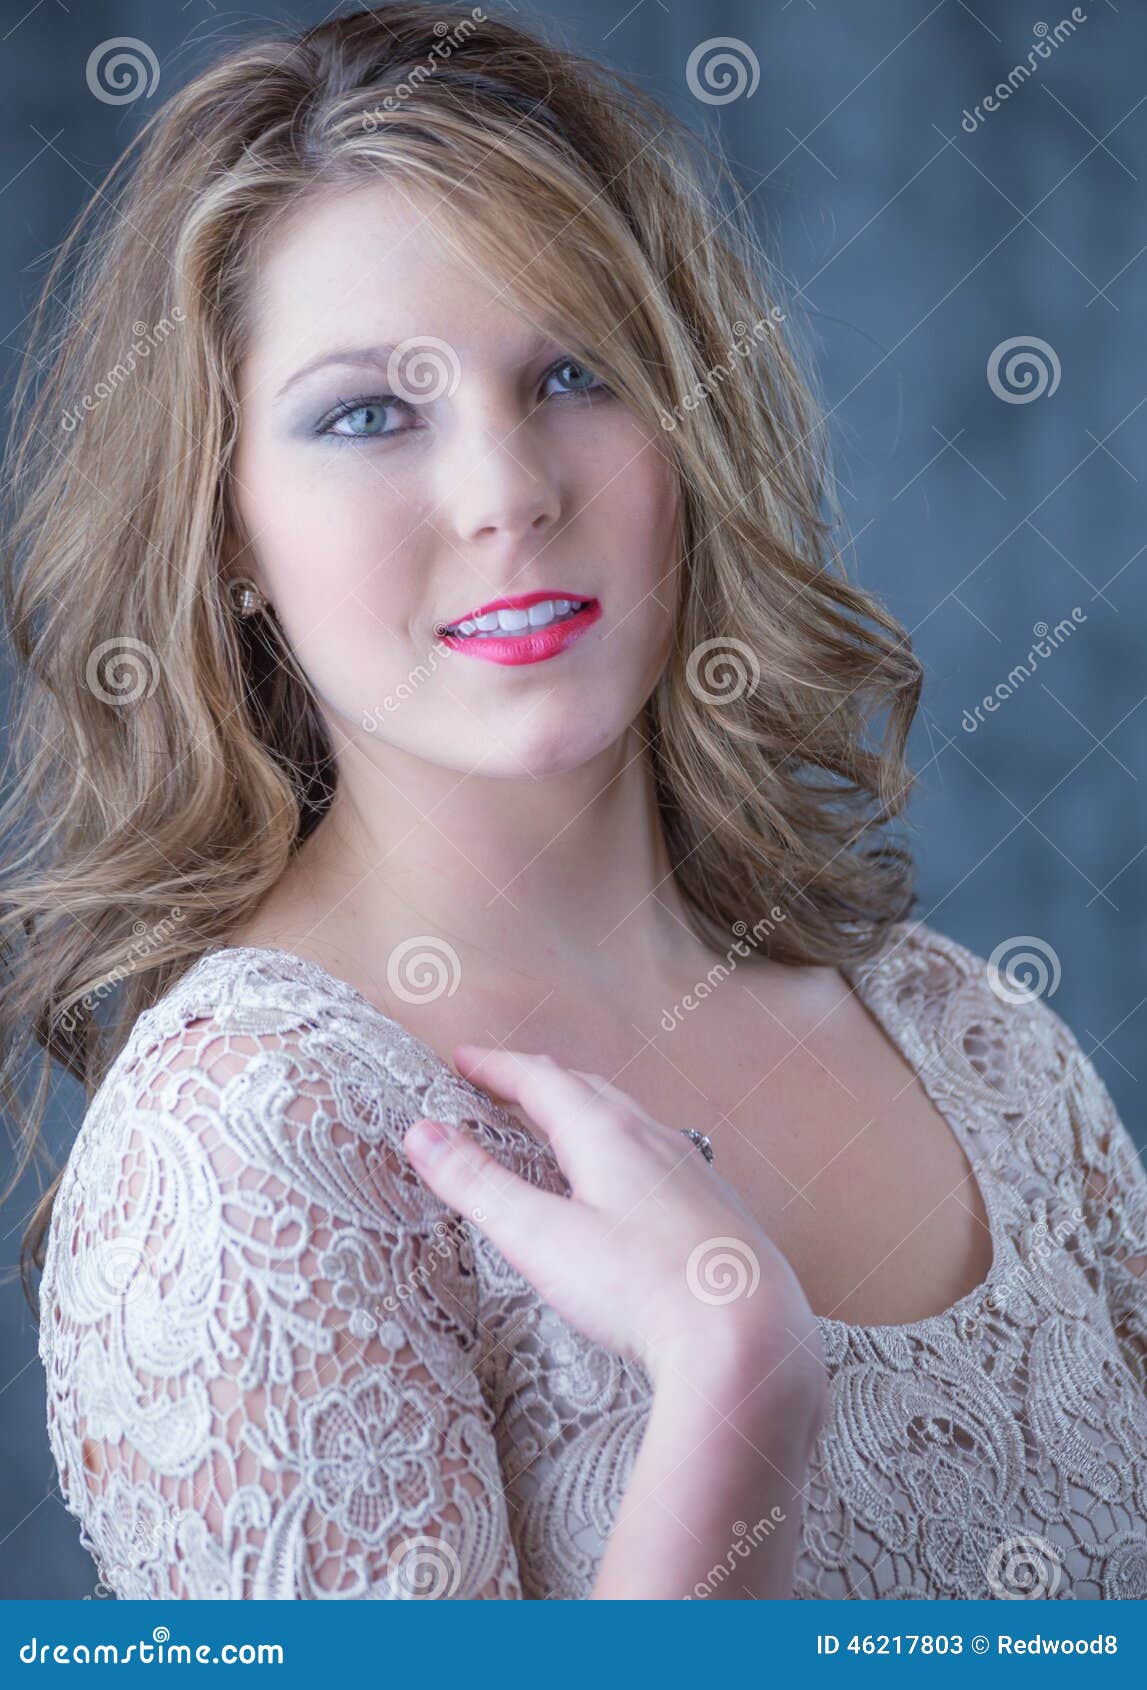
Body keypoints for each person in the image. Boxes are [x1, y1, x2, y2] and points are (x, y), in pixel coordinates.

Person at [2, 3, 1145, 1601]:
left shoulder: (983, 1046)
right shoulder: (241, 1148)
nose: (508, 492)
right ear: (229, 528)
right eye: (367, 413)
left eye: (573, 372)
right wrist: (734, 1394)